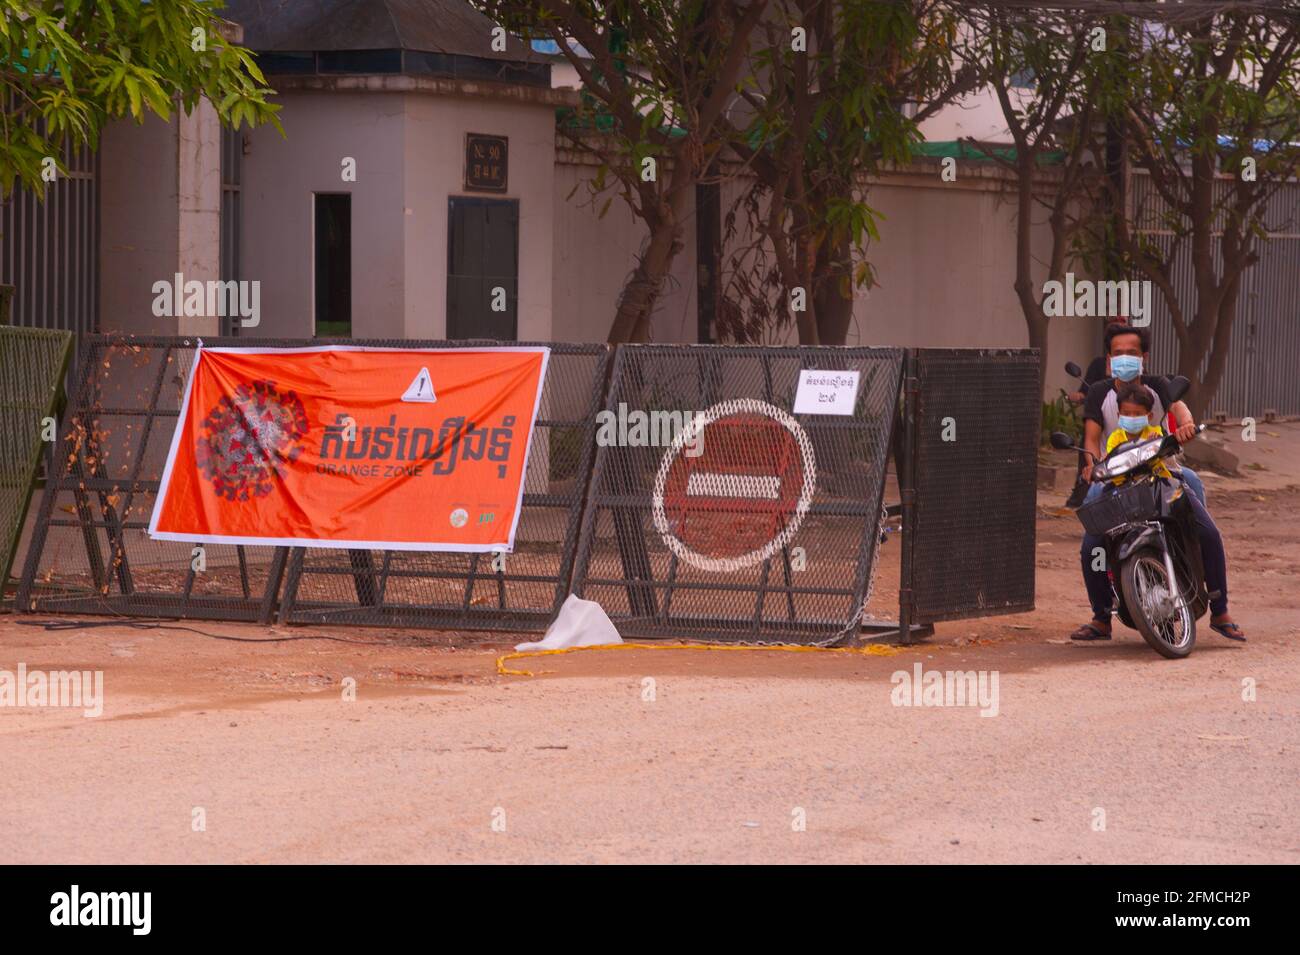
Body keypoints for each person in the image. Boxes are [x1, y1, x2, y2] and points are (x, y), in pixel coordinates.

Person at [1070, 325, 1246, 642]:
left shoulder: (1157, 386)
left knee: (1207, 531)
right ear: (1109, 359)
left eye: (1132, 353)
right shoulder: (1099, 392)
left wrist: (1187, 426)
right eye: (1118, 353)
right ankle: (1101, 618)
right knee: (1090, 545)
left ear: (1144, 357)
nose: (1125, 359)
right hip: (1115, 477)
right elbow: (1092, 440)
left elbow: (1181, 410)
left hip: (1162, 471)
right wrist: (1091, 466)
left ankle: (1220, 610)